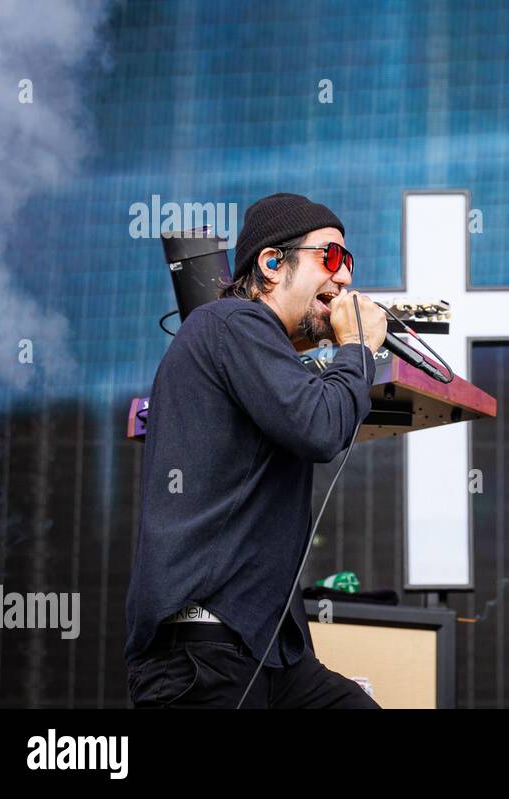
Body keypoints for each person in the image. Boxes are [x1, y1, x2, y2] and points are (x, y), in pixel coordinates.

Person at [124, 192, 388, 708]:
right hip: (203, 656)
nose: (344, 278)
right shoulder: (228, 323)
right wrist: (356, 347)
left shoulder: (269, 358)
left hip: (269, 654)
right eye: (330, 257)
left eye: (348, 263)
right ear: (271, 263)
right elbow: (319, 427)